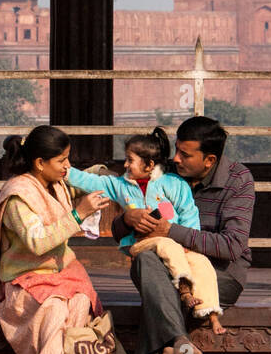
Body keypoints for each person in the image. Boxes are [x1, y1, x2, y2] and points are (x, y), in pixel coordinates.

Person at [113, 114, 255, 354]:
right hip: (167, 266)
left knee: (156, 291)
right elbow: (121, 231)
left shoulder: (237, 181)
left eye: (185, 155)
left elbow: (232, 246)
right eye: (176, 150)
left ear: (209, 160)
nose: (176, 159)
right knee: (148, 259)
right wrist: (126, 219)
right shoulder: (163, 176)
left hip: (217, 276)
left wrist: (171, 231)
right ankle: (179, 341)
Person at [0, 126, 110, 354]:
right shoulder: (19, 196)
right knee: (53, 309)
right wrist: (80, 214)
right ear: (40, 163)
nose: (67, 167)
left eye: (68, 159)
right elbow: (37, 243)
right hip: (27, 282)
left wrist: (111, 176)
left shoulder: (56, 183)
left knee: (79, 303)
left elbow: (83, 180)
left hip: (62, 277)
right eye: (62, 161)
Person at [65, 126, 225, 331]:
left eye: (130, 160)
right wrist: (65, 171)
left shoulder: (173, 184)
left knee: (202, 262)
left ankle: (210, 313)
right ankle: (184, 291)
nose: (125, 164)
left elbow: (188, 212)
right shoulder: (121, 185)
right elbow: (91, 181)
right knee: (166, 244)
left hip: (178, 247)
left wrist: (189, 244)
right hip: (143, 245)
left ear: (149, 165)